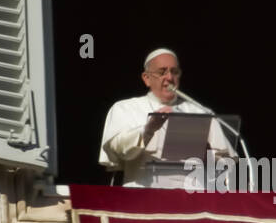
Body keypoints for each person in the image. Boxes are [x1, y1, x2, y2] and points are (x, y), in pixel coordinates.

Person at [99, 48, 237, 188]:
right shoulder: (126, 108)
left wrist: (208, 153)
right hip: (144, 198)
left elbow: (225, 165)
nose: (170, 77)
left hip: (195, 201)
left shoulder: (200, 111)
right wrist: (147, 130)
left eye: (174, 72)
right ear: (146, 78)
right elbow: (116, 149)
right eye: (162, 72)